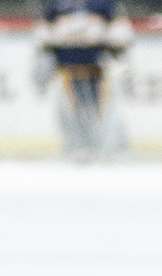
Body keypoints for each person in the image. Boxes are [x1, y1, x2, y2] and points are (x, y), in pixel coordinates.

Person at [34, 0, 135, 161]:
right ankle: (76, 149)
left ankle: (106, 151)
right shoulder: (56, 5)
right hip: (66, 73)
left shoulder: (105, 4)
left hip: (99, 73)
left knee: (104, 118)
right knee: (70, 117)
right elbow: (42, 38)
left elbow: (122, 35)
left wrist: (106, 38)